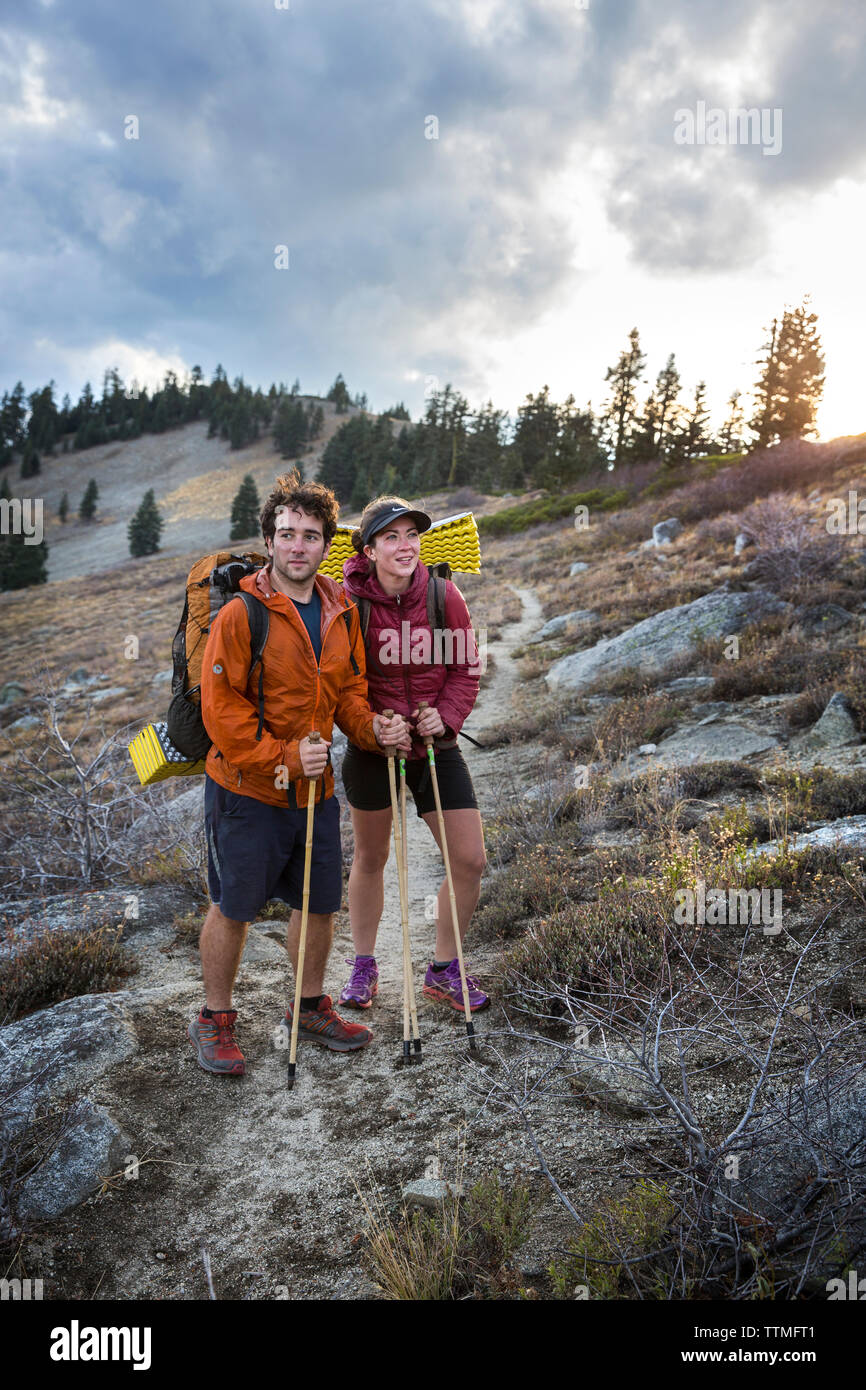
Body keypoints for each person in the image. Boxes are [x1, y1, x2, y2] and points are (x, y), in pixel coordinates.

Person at [188, 472, 409, 1076]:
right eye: (286, 534)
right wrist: (284, 756)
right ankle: (215, 1018)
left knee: (318, 904)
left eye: (310, 536)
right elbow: (220, 710)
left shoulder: (341, 610)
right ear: (269, 540)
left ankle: (307, 1008)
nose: (297, 546)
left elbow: (351, 696)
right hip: (245, 789)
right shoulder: (241, 614)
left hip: (316, 794)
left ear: (325, 545)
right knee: (234, 907)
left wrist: (375, 730)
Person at [337, 495, 489, 1014]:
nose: (406, 547)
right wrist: (375, 727)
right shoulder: (347, 604)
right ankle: (363, 965)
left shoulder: (443, 595)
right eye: (392, 538)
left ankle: (444, 970)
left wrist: (443, 716)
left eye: (412, 536)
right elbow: (340, 686)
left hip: (433, 747)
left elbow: (466, 668)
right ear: (370, 548)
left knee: (469, 859)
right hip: (371, 747)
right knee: (372, 858)